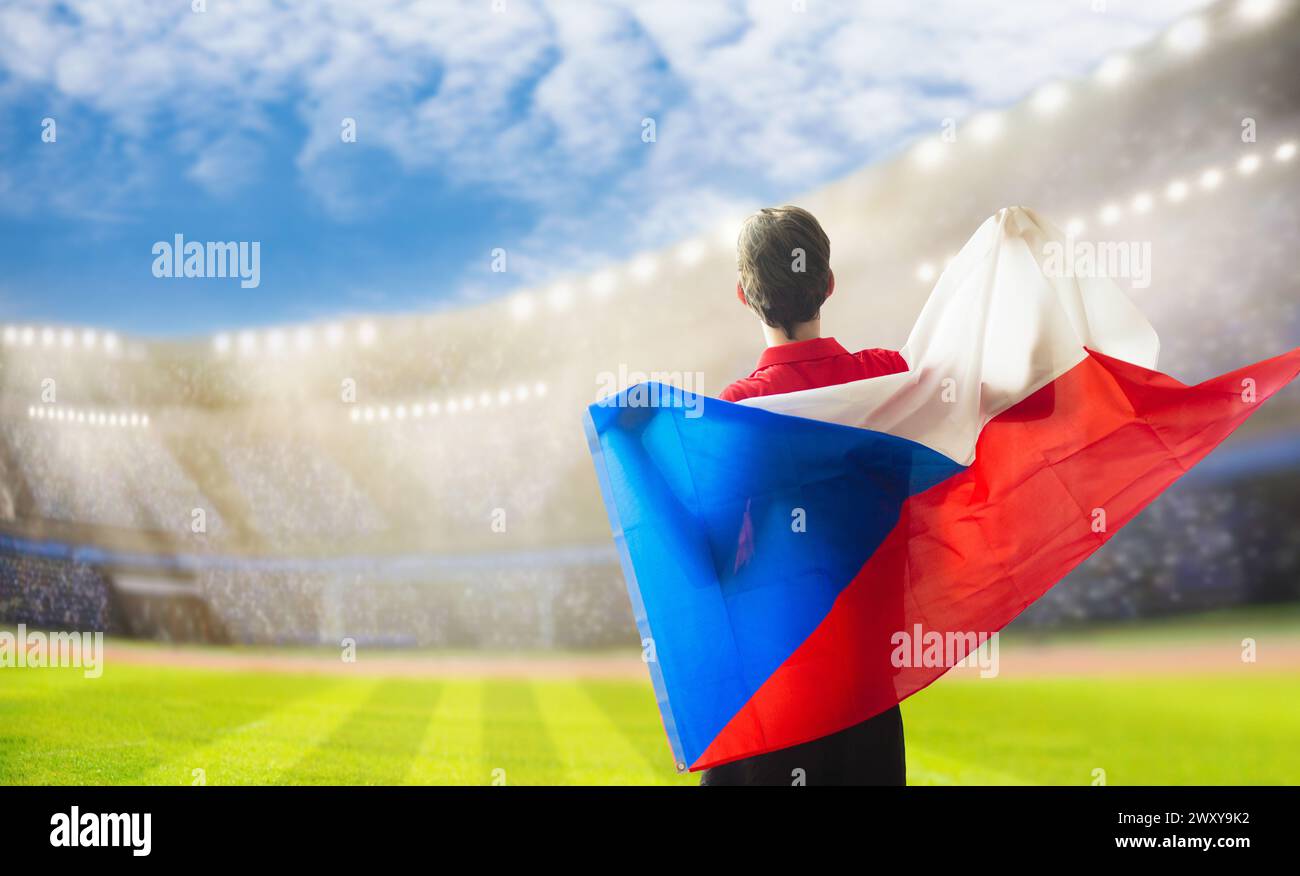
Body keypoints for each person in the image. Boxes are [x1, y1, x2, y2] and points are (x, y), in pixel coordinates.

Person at [702, 205, 908, 786]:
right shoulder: (888, 376)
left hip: (777, 680)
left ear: (744, 295)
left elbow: (715, 556)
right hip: (868, 683)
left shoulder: (738, 411)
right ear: (828, 284)